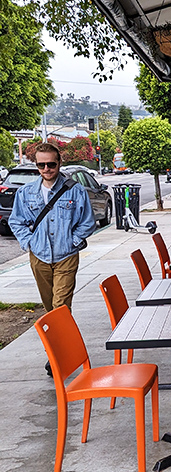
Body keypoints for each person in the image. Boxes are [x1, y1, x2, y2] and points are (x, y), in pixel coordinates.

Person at [9, 143, 96, 375]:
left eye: (51, 164)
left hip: (66, 256)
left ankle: (59, 356)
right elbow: (16, 221)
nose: (46, 169)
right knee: (50, 309)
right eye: (41, 165)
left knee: (60, 306)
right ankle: (57, 350)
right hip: (39, 257)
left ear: (59, 163)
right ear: (36, 165)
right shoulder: (26, 193)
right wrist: (29, 242)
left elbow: (88, 222)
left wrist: (73, 241)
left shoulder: (75, 191)